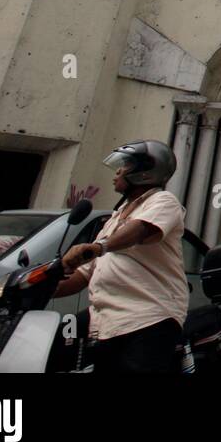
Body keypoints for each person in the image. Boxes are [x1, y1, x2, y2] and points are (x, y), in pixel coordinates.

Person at [54, 139, 189, 373]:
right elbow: (85, 274)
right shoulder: (115, 218)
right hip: (107, 324)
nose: (117, 171)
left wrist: (97, 247)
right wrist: (42, 285)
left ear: (145, 172)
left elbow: (140, 230)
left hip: (148, 318)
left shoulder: (163, 201)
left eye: (126, 165)